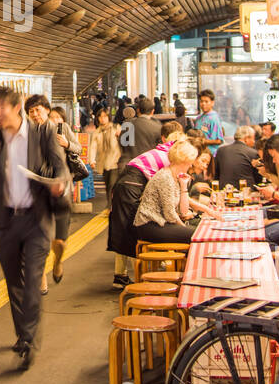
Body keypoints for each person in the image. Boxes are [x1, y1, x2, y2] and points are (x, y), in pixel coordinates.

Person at [0, 86, 70, 370]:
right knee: (13, 283)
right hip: (6, 220)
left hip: (36, 219)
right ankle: (23, 334)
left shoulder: (43, 133)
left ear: (17, 108)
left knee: (31, 284)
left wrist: (59, 184)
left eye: (1, 107)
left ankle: (29, 341)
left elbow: (61, 167)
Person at [105, 120, 186, 287]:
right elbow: (168, 191)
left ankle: (124, 275)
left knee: (125, 228)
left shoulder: (161, 151)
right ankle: (142, 278)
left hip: (126, 184)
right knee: (134, 229)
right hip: (131, 187)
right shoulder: (168, 158)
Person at [26, 98, 81, 292]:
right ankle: (41, 279)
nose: (34, 114)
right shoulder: (27, 133)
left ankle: (57, 262)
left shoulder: (61, 128)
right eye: (31, 111)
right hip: (37, 192)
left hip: (60, 190)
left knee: (59, 241)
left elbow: (78, 148)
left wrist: (67, 144)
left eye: (38, 110)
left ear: (47, 111)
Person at [133, 139, 206, 244]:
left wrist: (184, 186)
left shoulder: (174, 176)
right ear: (183, 161)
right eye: (190, 162)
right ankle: (189, 259)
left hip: (161, 223)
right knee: (198, 235)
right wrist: (184, 227)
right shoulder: (165, 177)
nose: (190, 166)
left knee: (199, 231)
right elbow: (170, 215)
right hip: (150, 225)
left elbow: (183, 211)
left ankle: (187, 259)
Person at [119, 94, 163, 165]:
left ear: (138, 110)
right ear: (152, 111)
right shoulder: (158, 126)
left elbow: (122, 144)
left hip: (130, 163)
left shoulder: (127, 124)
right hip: (149, 163)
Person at [88, 107, 122, 201]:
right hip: (104, 163)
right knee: (107, 186)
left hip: (115, 162)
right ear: (97, 118)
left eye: (105, 116)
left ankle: (111, 205)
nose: (103, 118)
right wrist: (92, 160)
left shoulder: (116, 128)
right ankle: (110, 205)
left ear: (109, 117)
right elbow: (93, 147)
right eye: (100, 116)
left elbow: (125, 143)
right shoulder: (97, 132)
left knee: (112, 185)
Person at [213, 125, 261, 189]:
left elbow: (216, 174)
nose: (254, 141)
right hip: (246, 192)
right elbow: (258, 178)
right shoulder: (253, 153)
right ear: (246, 138)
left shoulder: (221, 150)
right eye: (253, 138)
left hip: (224, 189)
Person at [192, 89, 224, 156]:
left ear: (212, 103)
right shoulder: (198, 118)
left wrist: (203, 141)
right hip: (198, 153)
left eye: (206, 101)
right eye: (201, 101)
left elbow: (219, 141)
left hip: (210, 155)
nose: (203, 104)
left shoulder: (214, 118)